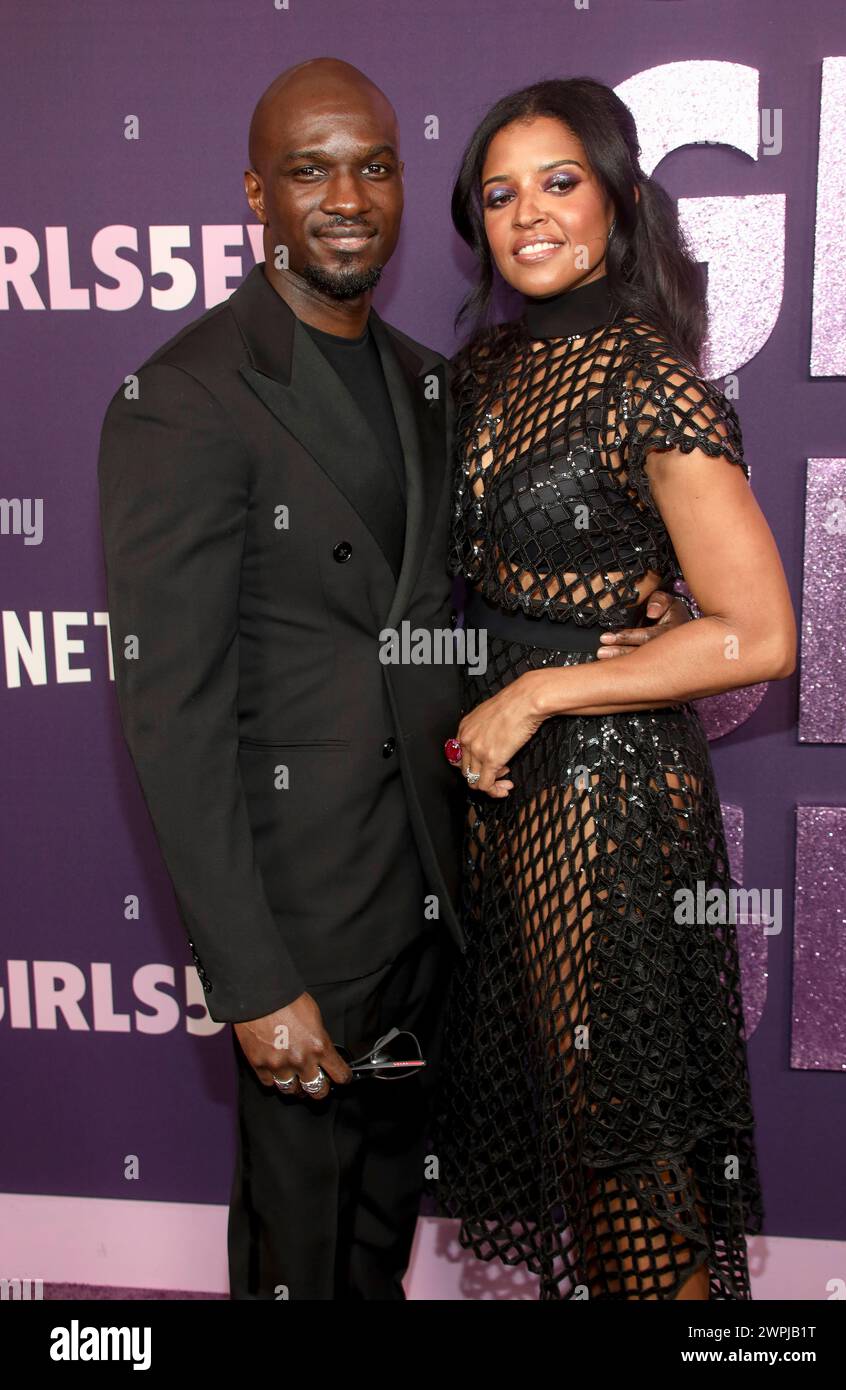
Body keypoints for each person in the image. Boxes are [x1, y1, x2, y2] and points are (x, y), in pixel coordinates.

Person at [97, 56, 472, 1301]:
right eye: (310, 168)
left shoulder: (430, 380)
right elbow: (174, 714)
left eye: (373, 163)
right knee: (298, 1257)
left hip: (429, 895)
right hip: (303, 924)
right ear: (257, 190)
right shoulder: (187, 396)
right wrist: (252, 980)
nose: (347, 194)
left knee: (378, 1243)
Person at [426, 77, 797, 1301]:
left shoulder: (651, 379)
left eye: (558, 181)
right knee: (578, 1149)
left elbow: (755, 635)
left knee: (628, 1153)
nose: (527, 215)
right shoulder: (478, 373)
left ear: (621, 201)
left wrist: (535, 696)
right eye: (498, 193)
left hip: (606, 800)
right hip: (503, 800)